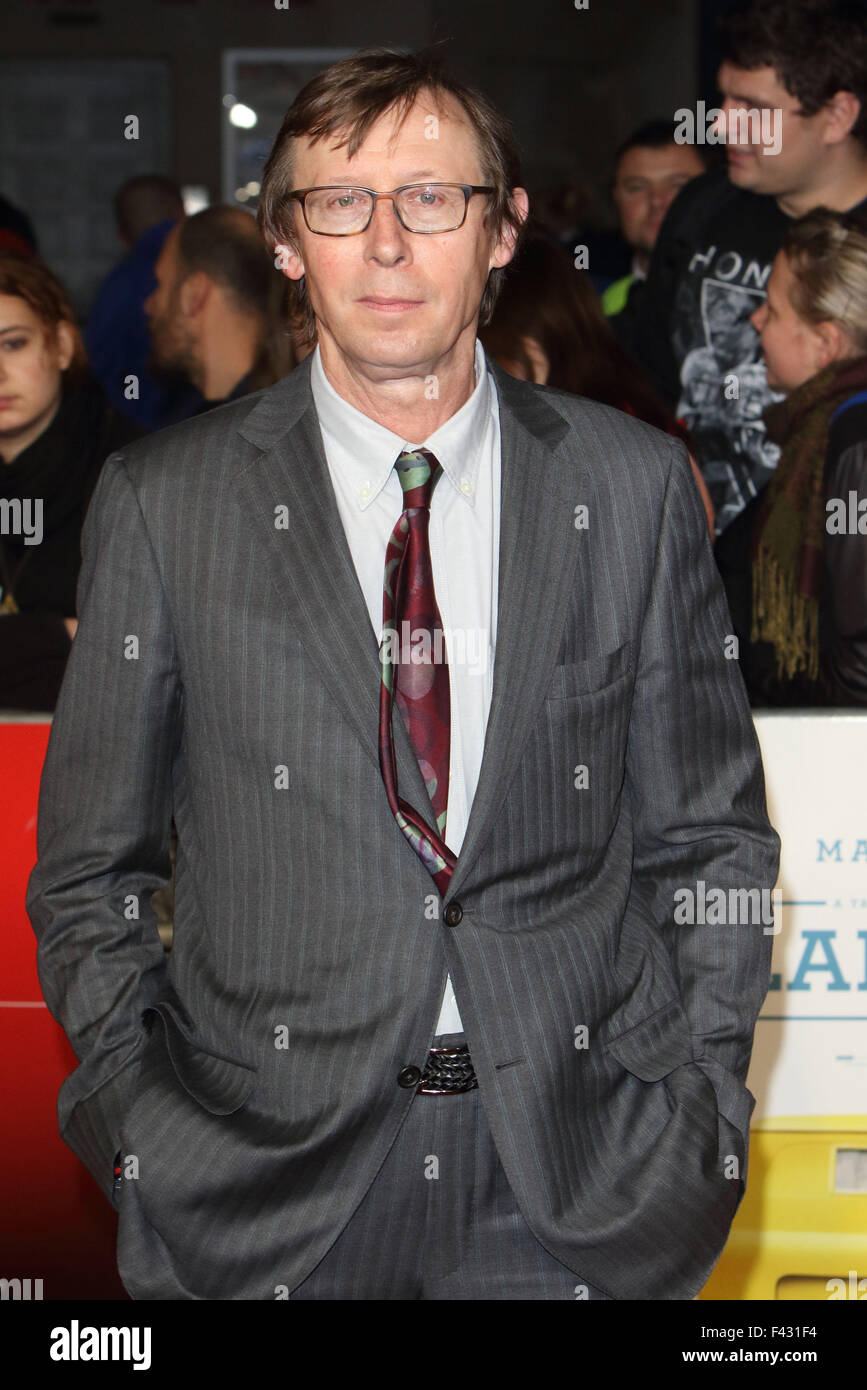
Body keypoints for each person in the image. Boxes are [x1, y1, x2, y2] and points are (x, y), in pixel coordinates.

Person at [27, 47, 780, 1302]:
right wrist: (142, 1125)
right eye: (339, 202)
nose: (385, 243)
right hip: (262, 1191)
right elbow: (90, 872)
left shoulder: (628, 486)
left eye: (431, 198)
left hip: (580, 1185)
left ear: (502, 232)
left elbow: (714, 844)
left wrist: (697, 1109)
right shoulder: (167, 503)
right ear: (285, 243)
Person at [614, 0, 867, 535]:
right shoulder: (704, 207)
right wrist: (664, 451)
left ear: (838, 116)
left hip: (814, 567)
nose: (723, 123)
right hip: (684, 546)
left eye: (753, 108)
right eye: (724, 98)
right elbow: (641, 361)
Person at [715, 207, 867, 706]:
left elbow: (859, 661)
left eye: (774, 310)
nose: (757, 319)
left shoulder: (851, 438)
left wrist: (789, 717)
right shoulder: (819, 433)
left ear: (825, 343)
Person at [480, 224, 715, 533]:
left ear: (531, 344)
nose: (481, 375)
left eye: (491, 356)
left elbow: (690, 548)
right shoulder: (639, 406)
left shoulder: (628, 435)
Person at [0, 254, 140, 711]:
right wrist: (56, 635)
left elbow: (137, 653)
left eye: (13, 344)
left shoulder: (132, 471)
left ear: (61, 345)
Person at [144, 205, 297, 410]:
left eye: (160, 284)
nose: (148, 306)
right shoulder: (287, 407)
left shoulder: (230, 430)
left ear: (193, 295)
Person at [85, 176, 202, 432]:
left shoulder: (114, 289)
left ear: (121, 235)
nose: (151, 305)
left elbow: (99, 370)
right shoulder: (209, 271)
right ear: (181, 211)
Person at [601, 121, 708, 317]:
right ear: (615, 199)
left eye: (678, 186)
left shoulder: (751, 302)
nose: (657, 201)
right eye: (637, 187)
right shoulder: (596, 312)